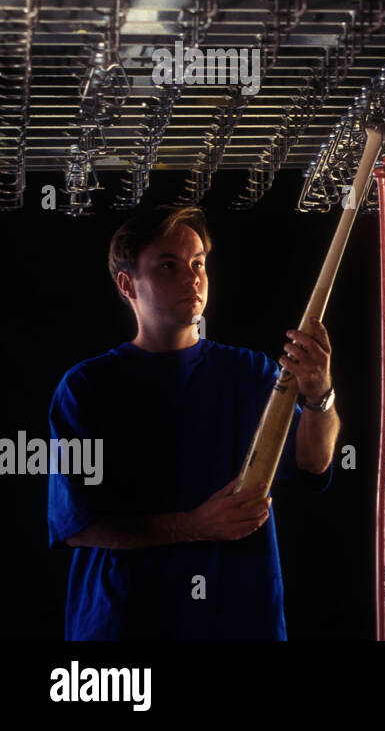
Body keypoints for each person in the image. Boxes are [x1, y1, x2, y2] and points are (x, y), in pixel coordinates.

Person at [47, 205, 342, 640]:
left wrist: (319, 395)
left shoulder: (253, 374)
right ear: (128, 284)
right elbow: (78, 525)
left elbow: (312, 462)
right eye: (169, 265)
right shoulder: (86, 388)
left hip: (241, 619)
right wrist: (195, 525)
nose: (193, 278)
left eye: (198, 263)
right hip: (125, 624)